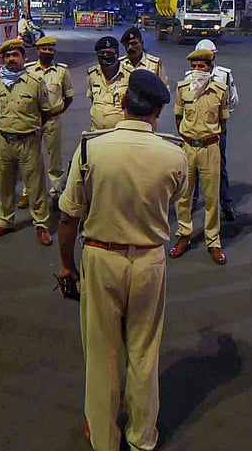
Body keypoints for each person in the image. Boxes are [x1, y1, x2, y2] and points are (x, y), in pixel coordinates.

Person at [56, 70, 187, 451]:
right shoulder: (174, 153)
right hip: (149, 260)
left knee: (102, 354)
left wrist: (67, 265)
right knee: (144, 353)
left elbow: (68, 218)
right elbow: (175, 199)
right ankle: (142, 438)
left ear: (124, 103)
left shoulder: (91, 148)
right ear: (158, 112)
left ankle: (103, 439)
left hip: (101, 256)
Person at [0, 38, 53, 245]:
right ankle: (5, 222)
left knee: (35, 186)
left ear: (24, 58)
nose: (11, 59)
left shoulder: (35, 83)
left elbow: (46, 112)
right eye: (7, 56)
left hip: (28, 142)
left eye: (15, 55)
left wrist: (30, 131)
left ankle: (41, 224)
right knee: (4, 185)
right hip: (3, 141)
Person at [169, 48, 230, 265]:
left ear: (210, 69)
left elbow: (223, 122)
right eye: (193, 67)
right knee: (183, 195)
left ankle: (213, 241)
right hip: (187, 147)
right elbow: (178, 117)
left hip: (210, 148)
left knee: (211, 197)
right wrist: (189, 136)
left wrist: (207, 137)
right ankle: (183, 234)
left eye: (201, 66)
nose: (197, 70)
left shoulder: (220, 91)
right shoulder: (182, 89)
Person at [194, 39, 238, 221]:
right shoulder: (189, 77)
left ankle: (225, 204)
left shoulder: (224, 75)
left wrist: (220, 119)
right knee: (193, 168)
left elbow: (233, 101)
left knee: (219, 167)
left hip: (217, 130)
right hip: (195, 129)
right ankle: (192, 203)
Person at [28, 36, 73, 205]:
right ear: (38, 50)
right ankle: (30, 191)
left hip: (53, 121)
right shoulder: (29, 70)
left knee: (55, 158)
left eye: (51, 50)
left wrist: (57, 111)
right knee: (31, 157)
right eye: (45, 49)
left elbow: (68, 97)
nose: (48, 52)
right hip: (33, 120)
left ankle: (55, 190)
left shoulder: (62, 71)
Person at [86, 36, 128, 131]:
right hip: (96, 131)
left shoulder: (129, 75)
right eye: (101, 53)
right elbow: (92, 99)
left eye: (109, 53)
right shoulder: (92, 74)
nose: (105, 55)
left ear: (117, 54)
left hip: (120, 132)